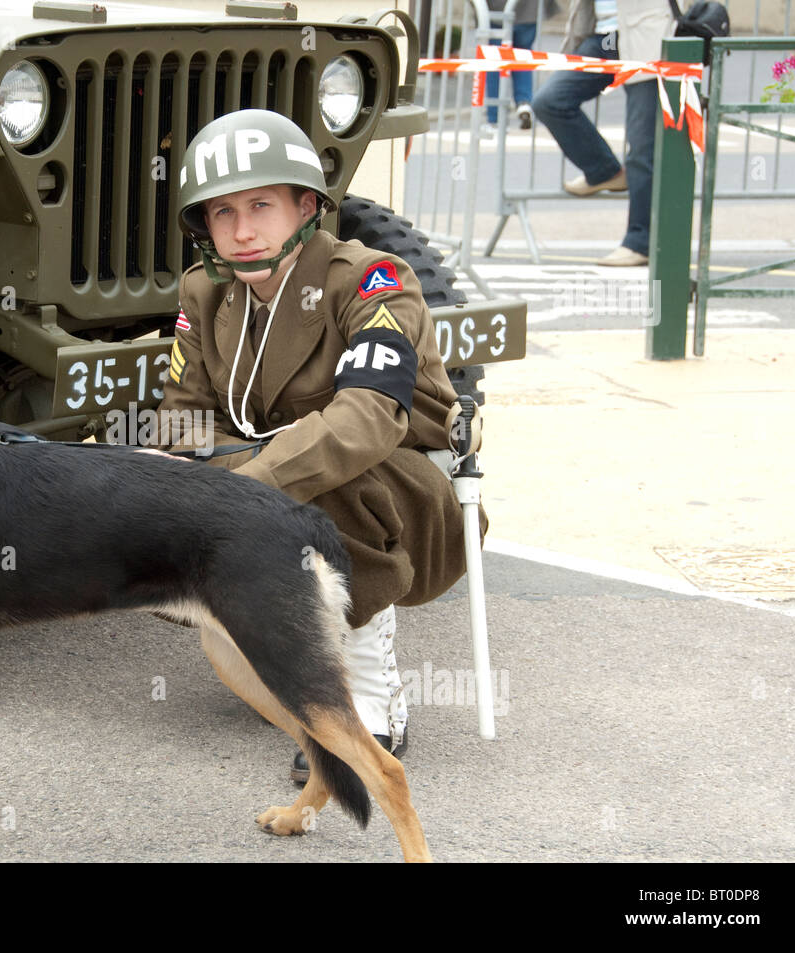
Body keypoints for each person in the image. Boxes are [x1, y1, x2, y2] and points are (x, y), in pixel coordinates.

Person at [155, 109, 482, 780]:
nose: (242, 231)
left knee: (328, 469)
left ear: (307, 207)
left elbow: (367, 418)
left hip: (404, 502)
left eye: (261, 205)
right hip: (270, 489)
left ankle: (371, 696)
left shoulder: (372, 282)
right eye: (221, 213)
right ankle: (290, 653)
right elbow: (182, 417)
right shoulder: (202, 291)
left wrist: (239, 489)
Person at [531, 0, 675, 266]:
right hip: (603, 36)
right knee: (549, 101)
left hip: (646, 33)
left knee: (642, 146)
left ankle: (640, 242)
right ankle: (605, 172)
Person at [484, 0, 559, 132]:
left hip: (497, 11)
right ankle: (524, 102)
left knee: (495, 61)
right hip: (529, 11)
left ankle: (495, 118)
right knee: (523, 57)